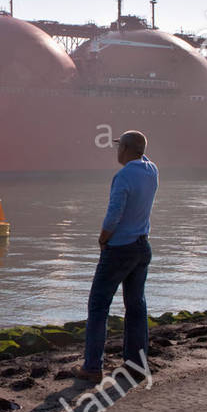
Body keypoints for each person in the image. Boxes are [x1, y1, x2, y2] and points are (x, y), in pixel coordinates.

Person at [72, 130, 159, 383]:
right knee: (136, 306)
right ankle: (136, 365)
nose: (117, 151)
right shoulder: (152, 170)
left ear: (125, 149)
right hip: (142, 246)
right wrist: (138, 145)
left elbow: (114, 215)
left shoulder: (123, 176)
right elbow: (141, 151)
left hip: (120, 249)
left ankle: (92, 367)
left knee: (98, 306)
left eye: (119, 146)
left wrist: (103, 239)